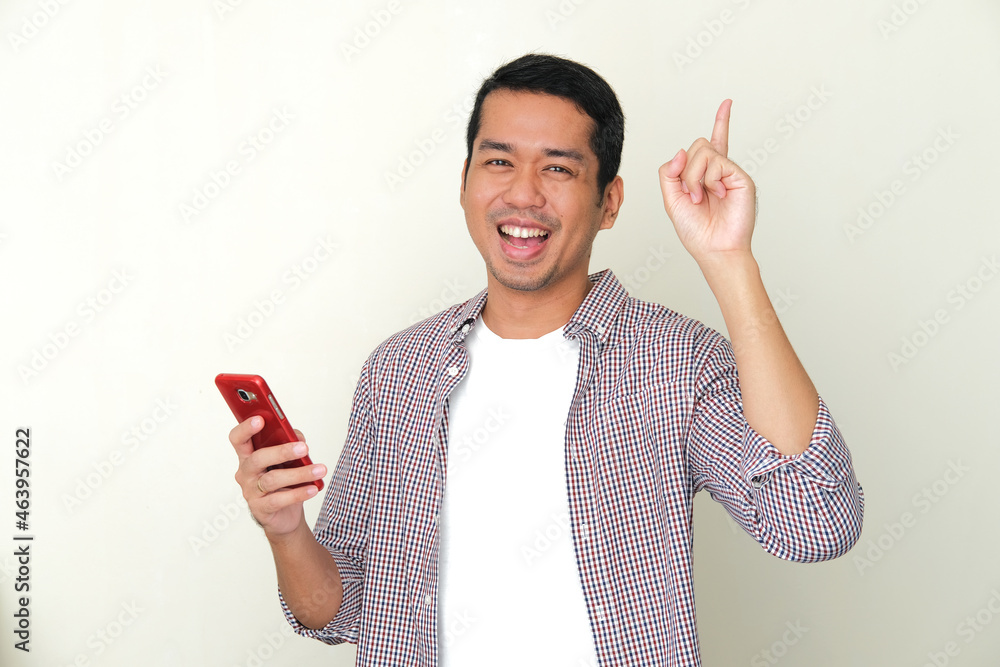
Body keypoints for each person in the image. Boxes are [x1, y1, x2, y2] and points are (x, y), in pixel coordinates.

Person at [229, 53, 864, 666]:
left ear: (609, 202)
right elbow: (334, 614)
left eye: (558, 169)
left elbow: (816, 522)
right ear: (464, 183)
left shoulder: (677, 362)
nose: (523, 193)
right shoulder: (399, 370)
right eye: (498, 161)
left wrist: (730, 261)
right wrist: (286, 530)